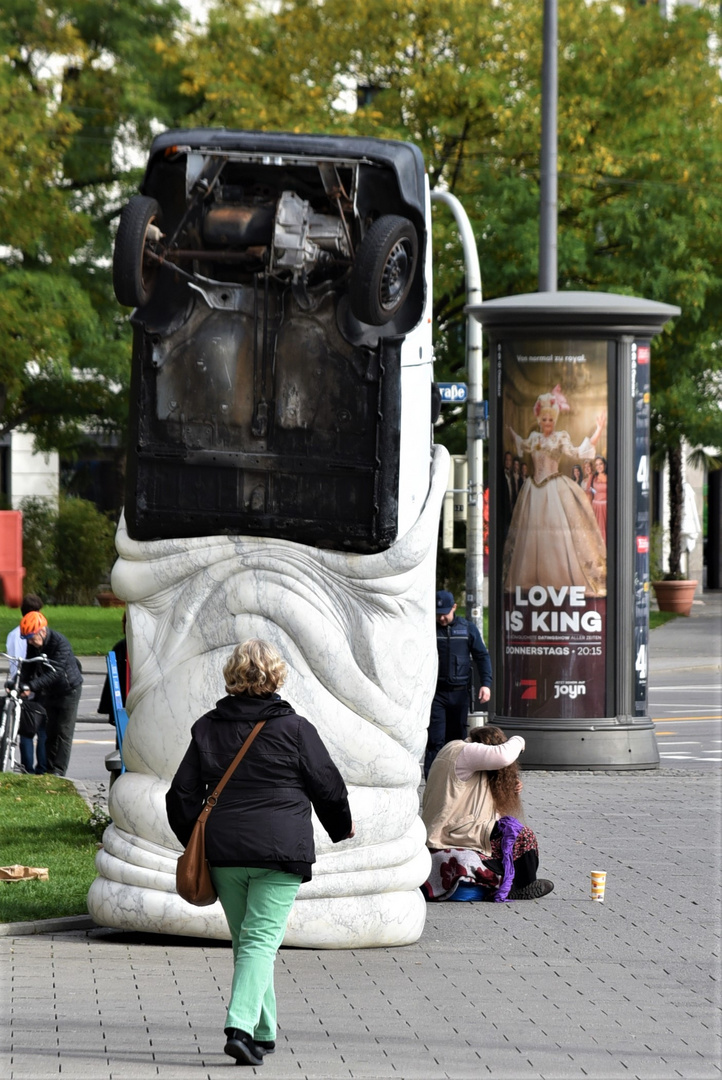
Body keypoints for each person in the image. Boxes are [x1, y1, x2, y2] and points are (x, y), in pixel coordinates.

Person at [166, 638, 354, 1067]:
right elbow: (327, 784)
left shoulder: (207, 727)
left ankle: (263, 1032)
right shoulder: (296, 729)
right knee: (259, 943)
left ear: (233, 676)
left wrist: (195, 839)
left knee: (250, 943)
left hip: (224, 851)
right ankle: (239, 1027)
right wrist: (341, 826)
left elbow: (180, 795)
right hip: (280, 850)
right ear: (275, 676)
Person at [421, 725, 554, 902]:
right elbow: (503, 756)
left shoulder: (464, 757)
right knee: (518, 837)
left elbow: (485, 809)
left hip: (461, 829)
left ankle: (516, 884)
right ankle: (514, 886)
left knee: (515, 834)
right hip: (452, 833)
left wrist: (510, 789)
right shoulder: (464, 751)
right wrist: (519, 741)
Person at [504, 385, 607, 595]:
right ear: (539, 419)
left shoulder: (560, 437)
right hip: (534, 490)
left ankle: (559, 578)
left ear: (555, 420)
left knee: (556, 533)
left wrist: (598, 430)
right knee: (532, 535)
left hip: (553, 487)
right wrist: (510, 431)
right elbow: (522, 445)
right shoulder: (534, 438)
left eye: (550, 420)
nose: (547, 423)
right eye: (544, 419)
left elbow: (579, 452)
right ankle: (530, 579)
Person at [424, 590, 492, 778]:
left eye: (445, 613)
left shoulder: (467, 628)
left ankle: (456, 779)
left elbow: (482, 656)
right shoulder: (428, 629)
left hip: (460, 694)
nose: (441, 618)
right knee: (435, 741)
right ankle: (433, 781)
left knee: (457, 741)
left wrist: (486, 684)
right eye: (438, 614)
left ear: (454, 607)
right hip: (436, 693)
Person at [19, 611, 83, 777]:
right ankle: (49, 769)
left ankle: (59, 772)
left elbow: (55, 673)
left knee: (63, 731)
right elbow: (28, 666)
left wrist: (31, 686)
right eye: (28, 639)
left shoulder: (60, 643)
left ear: (42, 631)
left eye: (32, 637)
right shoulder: (33, 645)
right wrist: (21, 684)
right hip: (50, 692)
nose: (31, 642)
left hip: (69, 690)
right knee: (50, 731)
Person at [5, 595, 45, 773]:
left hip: (21, 684)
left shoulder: (13, 634)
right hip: (31, 685)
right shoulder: (31, 633)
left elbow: (15, 662)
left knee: (26, 731)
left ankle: (28, 767)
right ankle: (39, 767)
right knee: (39, 730)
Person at [591, 455, 608, 542]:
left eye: (600, 464)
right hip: (596, 507)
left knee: (606, 529)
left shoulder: (610, 477)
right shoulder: (593, 477)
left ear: (604, 465)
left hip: (605, 507)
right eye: (597, 465)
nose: (599, 466)